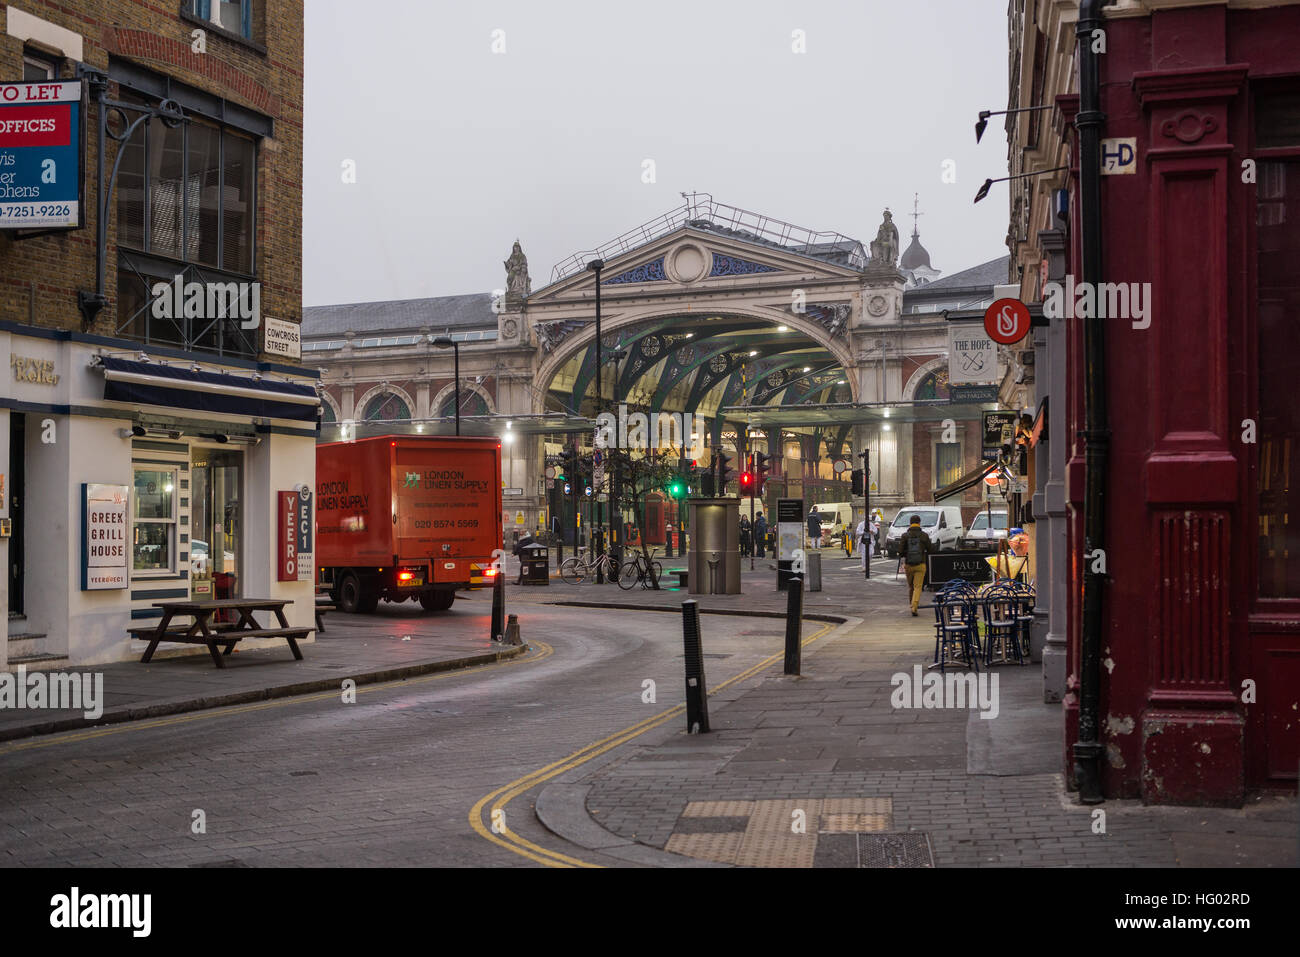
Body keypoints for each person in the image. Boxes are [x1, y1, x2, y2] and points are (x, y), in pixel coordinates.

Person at [898, 514, 933, 616]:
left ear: (910, 523)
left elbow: (900, 551)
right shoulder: (924, 535)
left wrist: (906, 553)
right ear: (919, 523)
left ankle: (912, 605)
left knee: (911, 587)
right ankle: (914, 606)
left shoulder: (905, 536)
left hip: (908, 565)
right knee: (918, 587)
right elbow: (931, 549)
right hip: (921, 564)